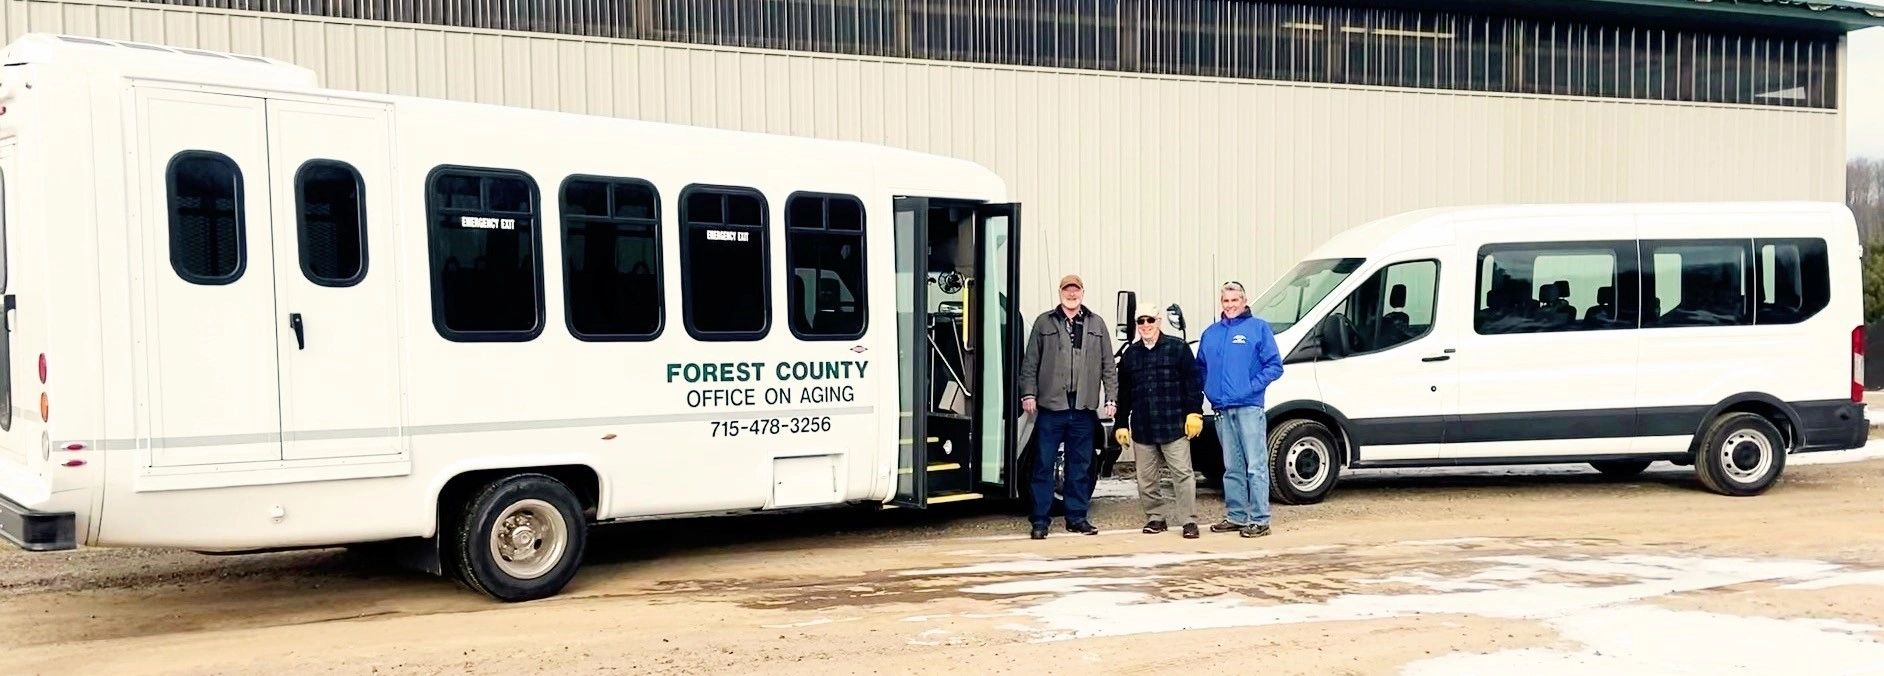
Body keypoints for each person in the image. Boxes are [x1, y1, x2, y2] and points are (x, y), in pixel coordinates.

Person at [1018, 274, 1118, 540]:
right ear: (1060, 292)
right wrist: (1028, 393)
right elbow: (1030, 364)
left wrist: (1111, 397)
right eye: (1067, 290)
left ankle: (1077, 517)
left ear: (1083, 292)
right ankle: (1040, 520)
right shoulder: (1044, 322)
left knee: (1081, 466)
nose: (1071, 295)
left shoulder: (1097, 323)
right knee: (1042, 465)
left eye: (1075, 290)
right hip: (1051, 408)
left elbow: (1109, 365)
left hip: (1083, 408)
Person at [1195, 281, 1284, 538]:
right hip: (1222, 409)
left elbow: (1274, 366)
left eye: (1235, 301)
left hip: (1248, 408)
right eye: (1226, 301)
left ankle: (1259, 519)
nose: (1230, 305)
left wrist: (1250, 388)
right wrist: (1209, 389)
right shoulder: (1211, 333)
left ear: (1244, 302)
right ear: (1220, 303)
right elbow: (1200, 366)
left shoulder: (1258, 329)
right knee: (1231, 467)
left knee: (1255, 465)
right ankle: (1236, 515)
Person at [1113, 302, 1205, 539]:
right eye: (1140, 321)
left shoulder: (1178, 348)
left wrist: (1195, 412)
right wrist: (1121, 422)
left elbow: (1193, 383)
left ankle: (1188, 521)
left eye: (1150, 320)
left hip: (1174, 424)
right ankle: (1156, 518)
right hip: (1143, 428)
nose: (1145, 325)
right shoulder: (1130, 355)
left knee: (1182, 475)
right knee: (1146, 478)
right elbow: (1124, 393)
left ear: (1159, 322)